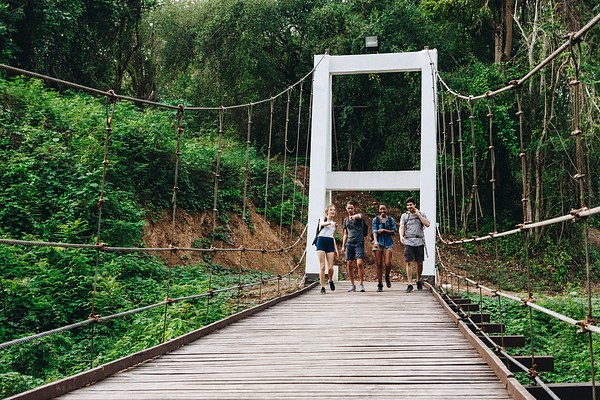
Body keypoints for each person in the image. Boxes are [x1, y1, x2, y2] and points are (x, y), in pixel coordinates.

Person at [399, 196, 430, 293]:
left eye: (411, 205)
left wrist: (418, 214)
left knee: (419, 262)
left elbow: (427, 224)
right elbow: (402, 226)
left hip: (419, 241)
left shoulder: (421, 214)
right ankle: (409, 283)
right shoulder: (404, 216)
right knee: (408, 262)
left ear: (415, 205)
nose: (409, 207)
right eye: (407, 205)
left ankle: (418, 279)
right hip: (408, 241)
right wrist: (401, 235)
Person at [342, 202, 366, 292]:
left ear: (354, 208)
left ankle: (361, 284)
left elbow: (360, 216)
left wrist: (354, 216)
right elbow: (345, 233)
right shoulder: (345, 220)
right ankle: (352, 284)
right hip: (349, 243)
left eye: (351, 208)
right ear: (346, 209)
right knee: (349, 263)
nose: (350, 210)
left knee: (359, 263)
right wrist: (343, 245)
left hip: (359, 242)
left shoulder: (358, 217)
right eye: (348, 208)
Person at [372, 204, 396, 292]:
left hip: (388, 243)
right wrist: (375, 241)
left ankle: (386, 276)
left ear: (386, 210)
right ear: (379, 210)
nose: (382, 211)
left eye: (384, 209)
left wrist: (384, 230)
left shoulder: (390, 220)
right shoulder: (376, 220)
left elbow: (394, 232)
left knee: (387, 263)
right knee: (378, 263)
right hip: (378, 243)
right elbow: (374, 231)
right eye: (380, 209)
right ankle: (380, 283)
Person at [315, 204, 339, 294]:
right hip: (321, 241)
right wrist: (329, 223)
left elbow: (332, 237)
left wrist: (336, 249)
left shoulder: (334, 224)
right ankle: (322, 287)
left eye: (334, 210)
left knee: (330, 267)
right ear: (327, 211)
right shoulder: (323, 219)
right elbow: (321, 224)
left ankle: (330, 280)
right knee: (322, 266)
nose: (333, 211)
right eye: (331, 210)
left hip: (330, 243)